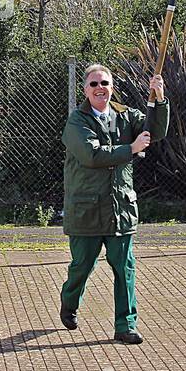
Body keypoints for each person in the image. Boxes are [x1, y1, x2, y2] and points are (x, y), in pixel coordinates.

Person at [59, 64, 168, 344]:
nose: (100, 88)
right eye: (94, 84)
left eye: (104, 83)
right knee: (82, 266)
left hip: (120, 209)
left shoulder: (125, 115)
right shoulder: (77, 122)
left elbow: (152, 131)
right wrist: (130, 149)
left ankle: (126, 325)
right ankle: (70, 301)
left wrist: (159, 98)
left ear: (111, 87)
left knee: (125, 267)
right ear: (85, 89)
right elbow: (92, 155)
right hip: (87, 210)